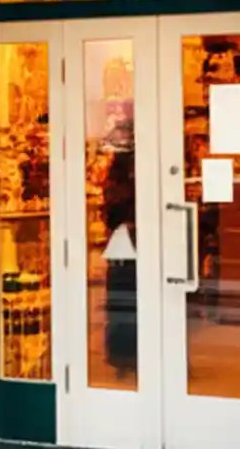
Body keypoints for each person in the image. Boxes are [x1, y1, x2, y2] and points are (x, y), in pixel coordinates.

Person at [102, 148, 138, 377]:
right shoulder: (129, 188)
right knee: (131, 307)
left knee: (119, 309)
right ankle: (129, 356)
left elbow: (110, 215)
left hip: (118, 253)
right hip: (128, 250)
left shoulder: (113, 187)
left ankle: (121, 357)